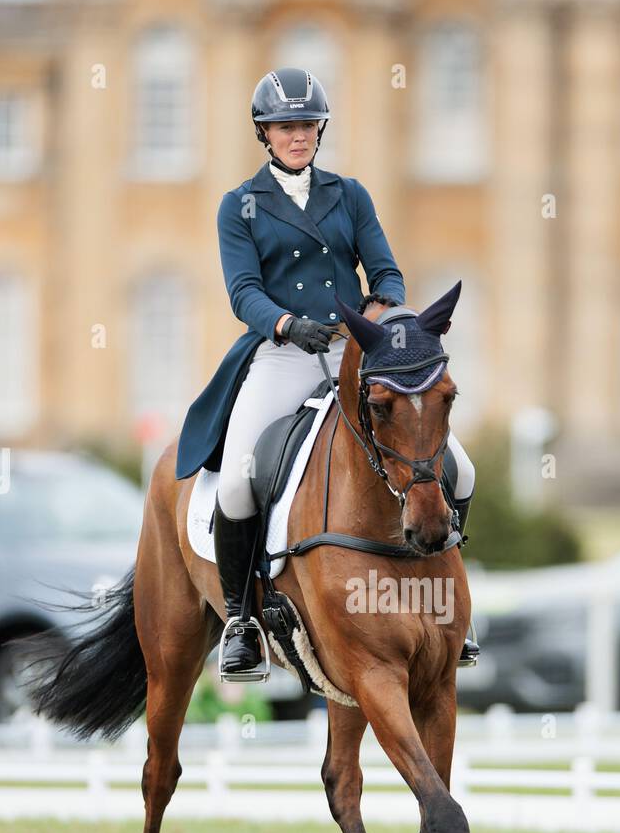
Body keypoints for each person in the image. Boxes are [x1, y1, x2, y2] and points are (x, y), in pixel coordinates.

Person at [175, 67, 478, 678]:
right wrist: (287, 326)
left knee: (459, 467)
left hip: (354, 354)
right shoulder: (240, 205)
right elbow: (243, 292)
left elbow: (386, 273)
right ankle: (240, 621)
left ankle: (445, 607)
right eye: (287, 127)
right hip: (284, 355)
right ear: (265, 133)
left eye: (308, 125)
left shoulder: (352, 195)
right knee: (237, 480)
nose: (299, 136)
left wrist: (377, 310)